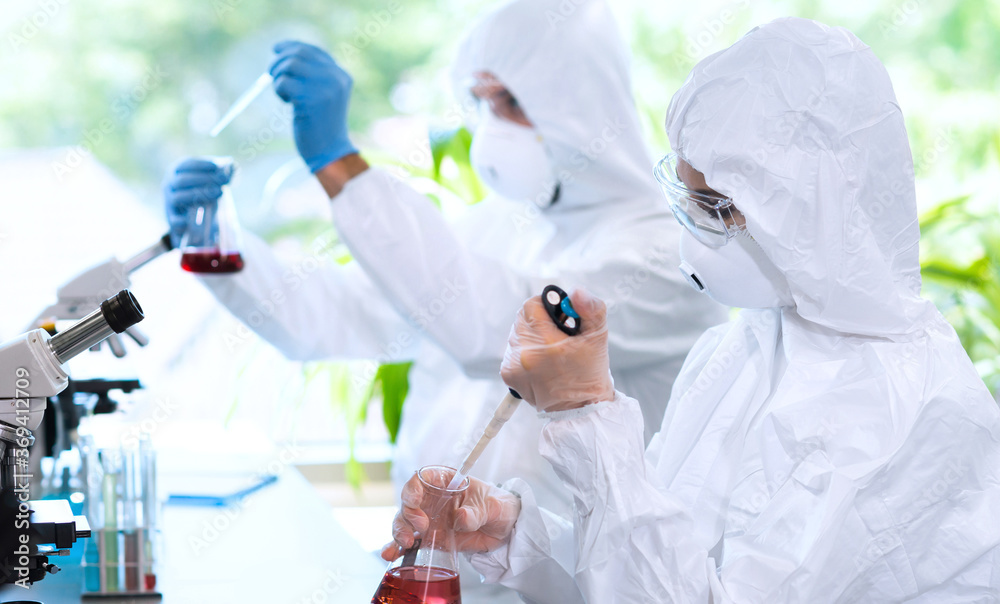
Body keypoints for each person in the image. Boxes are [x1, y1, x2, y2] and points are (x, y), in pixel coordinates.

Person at [385, 17, 1000, 602]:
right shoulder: (746, 344)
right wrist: (514, 535)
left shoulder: (901, 407)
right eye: (688, 196)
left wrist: (587, 413)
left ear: (814, 210)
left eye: (718, 206)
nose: (694, 233)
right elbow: (648, 569)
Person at [164, 0, 724, 599]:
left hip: (567, 587)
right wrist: (220, 245)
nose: (491, 124)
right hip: (439, 572)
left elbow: (490, 328)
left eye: (510, 101)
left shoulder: (665, 253)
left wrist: (339, 164)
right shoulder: (496, 226)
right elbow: (333, 319)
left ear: (579, 105)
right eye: (481, 101)